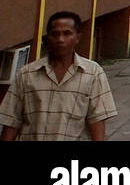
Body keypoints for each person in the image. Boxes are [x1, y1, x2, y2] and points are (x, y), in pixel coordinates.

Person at [0, 12, 116, 141]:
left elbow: (97, 119)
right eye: (55, 34)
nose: (60, 39)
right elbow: (11, 121)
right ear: (47, 38)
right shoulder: (27, 74)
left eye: (67, 33)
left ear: (77, 37)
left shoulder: (93, 73)